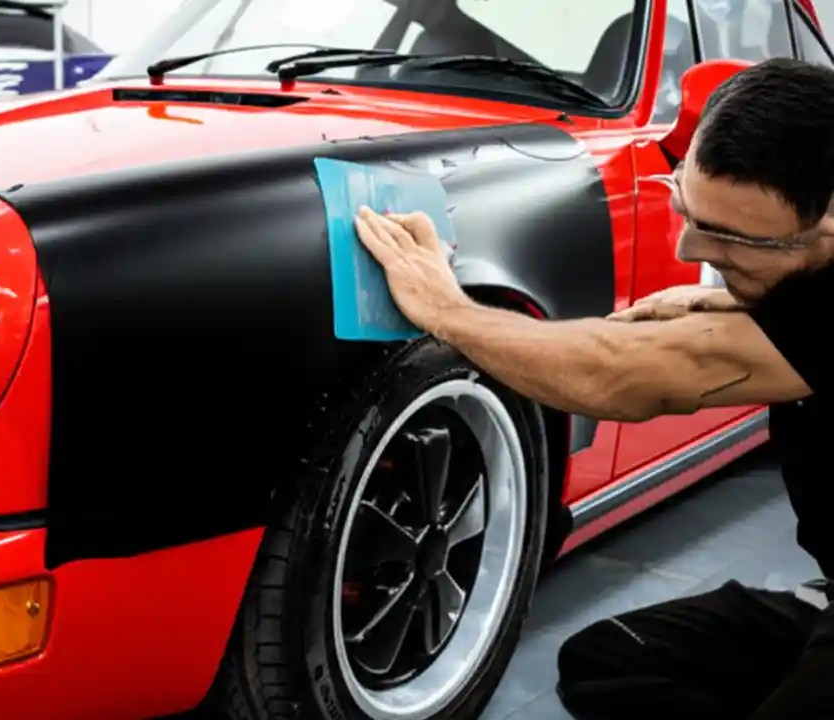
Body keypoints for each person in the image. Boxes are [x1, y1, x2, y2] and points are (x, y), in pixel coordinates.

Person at [353, 56, 834, 719]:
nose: (691, 250)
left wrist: (447, 309)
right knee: (610, 664)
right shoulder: (803, 273)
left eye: (725, 237)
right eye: (683, 205)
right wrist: (708, 307)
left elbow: (618, 375)